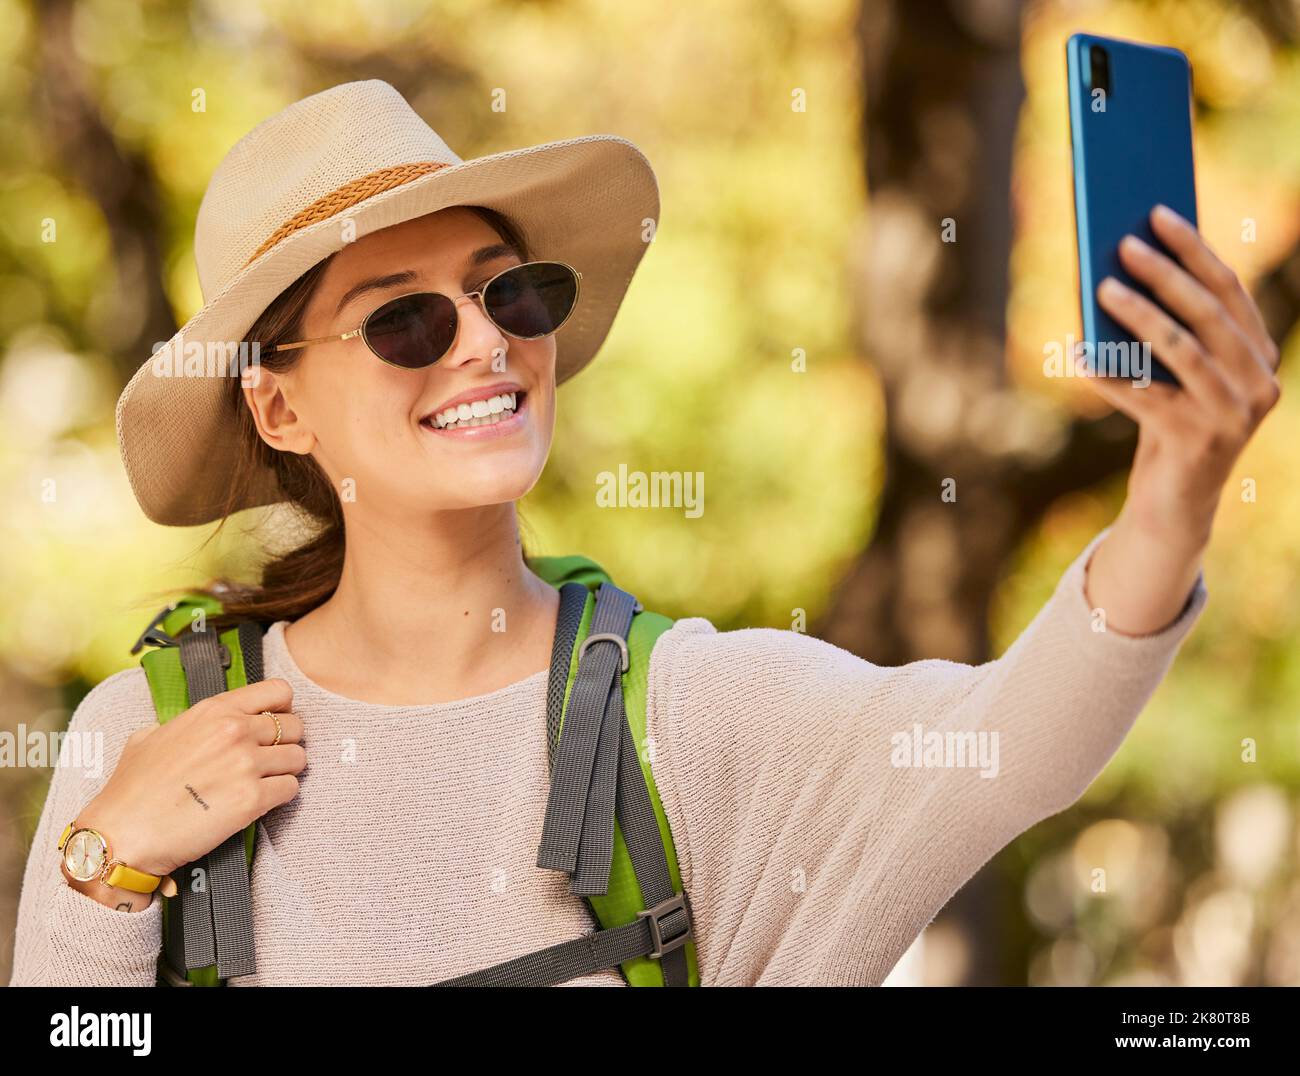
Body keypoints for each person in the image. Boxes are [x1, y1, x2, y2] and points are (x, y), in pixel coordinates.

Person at [10, 80, 1281, 986]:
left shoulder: (692, 713)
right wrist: (102, 869)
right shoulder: (145, 740)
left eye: (508, 292)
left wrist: (1171, 489)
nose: (484, 341)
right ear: (279, 402)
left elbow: (1011, 744)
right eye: (403, 319)